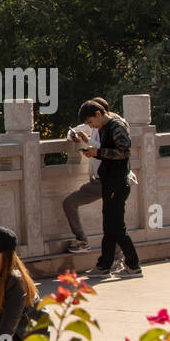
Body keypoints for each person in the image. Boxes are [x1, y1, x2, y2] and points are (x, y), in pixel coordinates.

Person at [78, 99, 143, 277]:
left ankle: (133, 265)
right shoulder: (105, 127)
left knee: (116, 226)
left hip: (118, 181)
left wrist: (98, 153)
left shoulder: (116, 126)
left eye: (91, 122)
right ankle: (104, 265)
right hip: (110, 181)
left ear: (98, 114)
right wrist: (93, 149)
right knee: (109, 224)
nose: (92, 126)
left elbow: (124, 151)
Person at [62, 117, 103, 252]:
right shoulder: (94, 125)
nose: (89, 125)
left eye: (90, 122)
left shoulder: (115, 126)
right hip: (98, 181)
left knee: (114, 221)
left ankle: (119, 259)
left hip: (111, 180)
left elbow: (110, 150)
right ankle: (82, 240)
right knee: (70, 202)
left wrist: (88, 141)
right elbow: (76, 131)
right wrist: (73, 135)